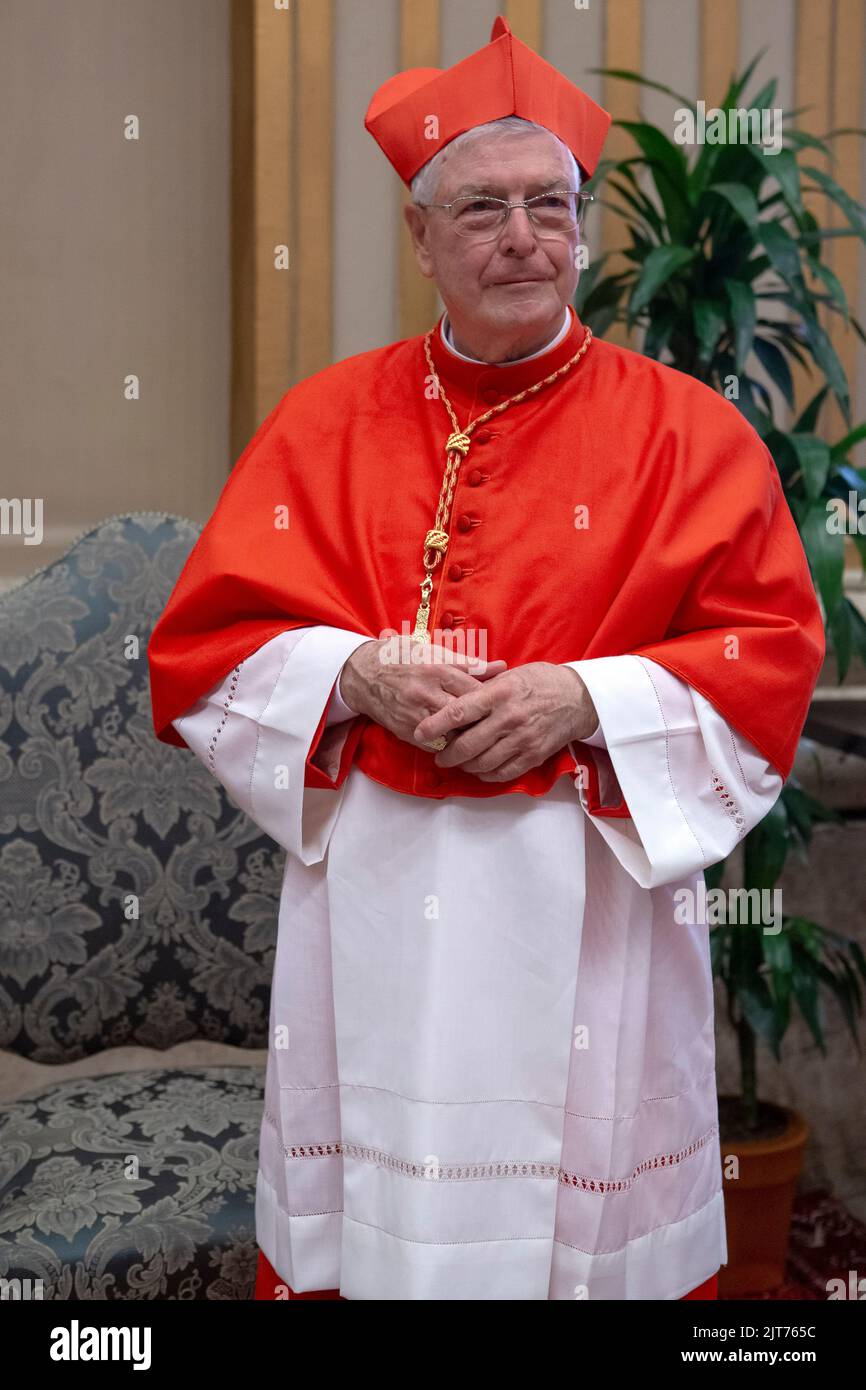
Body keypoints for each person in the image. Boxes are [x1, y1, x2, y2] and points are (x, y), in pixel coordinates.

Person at [147, 17, 824, 1300]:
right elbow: (207, 649)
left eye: (546, 206)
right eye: (479, 209)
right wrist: (348, 675)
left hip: (591, 910)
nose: (520, 236)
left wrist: (588, 695)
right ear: (419, 238)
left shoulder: (690, 434)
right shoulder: (321, 421)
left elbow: (766, 658)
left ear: (581, 226)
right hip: (375, 914)